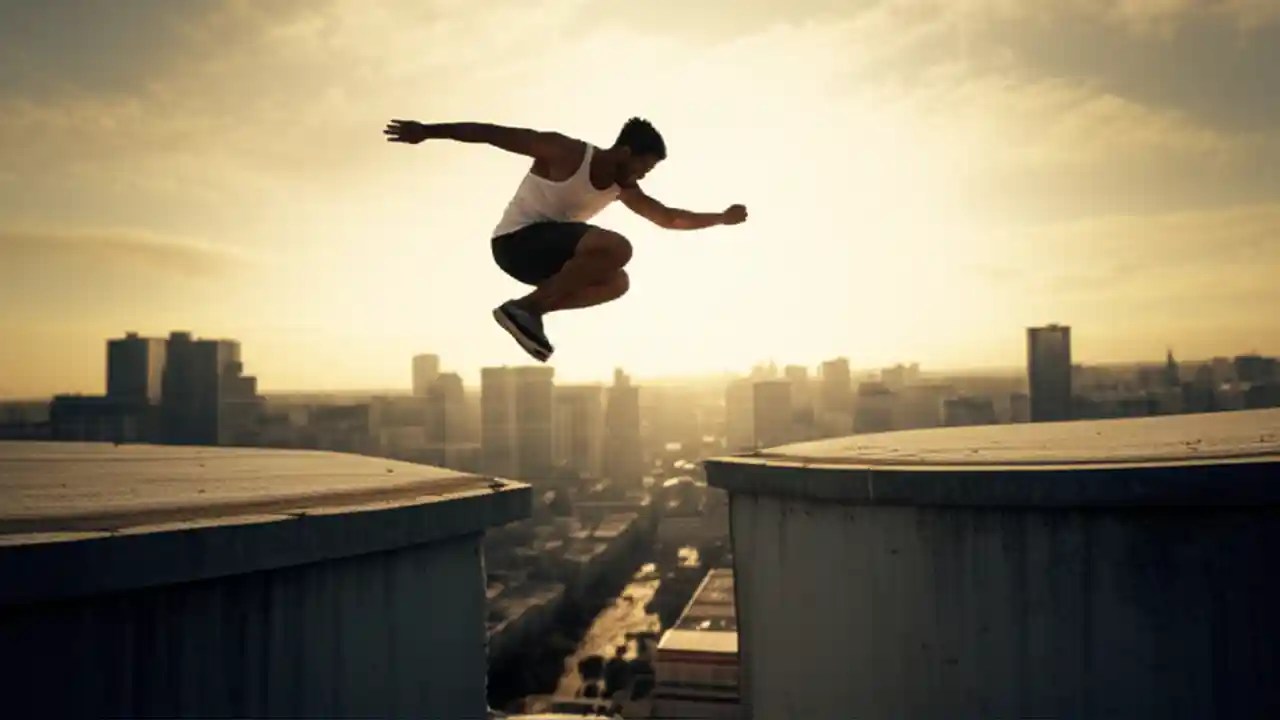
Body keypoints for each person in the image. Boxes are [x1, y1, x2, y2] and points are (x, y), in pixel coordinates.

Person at [383, 117, 748, 361]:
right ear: (624, 152)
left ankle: (530, 311)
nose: (643, 176)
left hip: (552, 260)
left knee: (617, 282)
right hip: (514, 243)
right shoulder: (566, 152)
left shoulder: (623, 187)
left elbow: (669, 218)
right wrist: (428, 131)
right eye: (643, 166)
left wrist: (720, 218)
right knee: (618, 248)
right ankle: (525, 309)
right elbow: (494, 134)